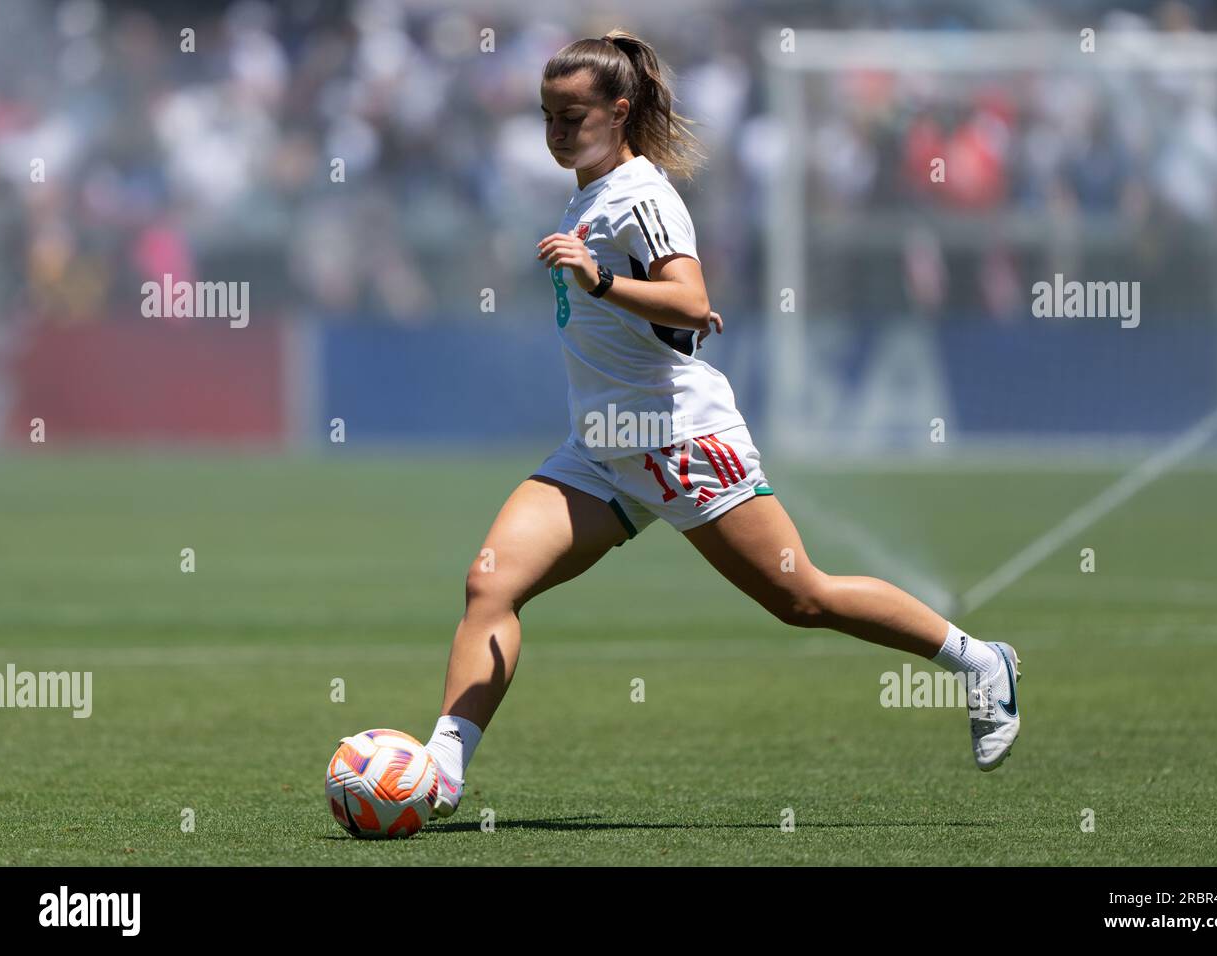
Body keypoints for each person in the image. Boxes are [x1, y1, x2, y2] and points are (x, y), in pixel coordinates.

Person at [420, 30, 1020, 818]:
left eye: (572, 115)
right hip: (602, 447)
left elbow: (693, 300)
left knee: (802, 598)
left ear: (620, 111)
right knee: (490, 583)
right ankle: (440, 770)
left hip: (677, 440)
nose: (556, 130)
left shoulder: (642, 195)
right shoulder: (589, 194)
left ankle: (980, 663)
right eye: (547, 115)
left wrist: (599, 278)